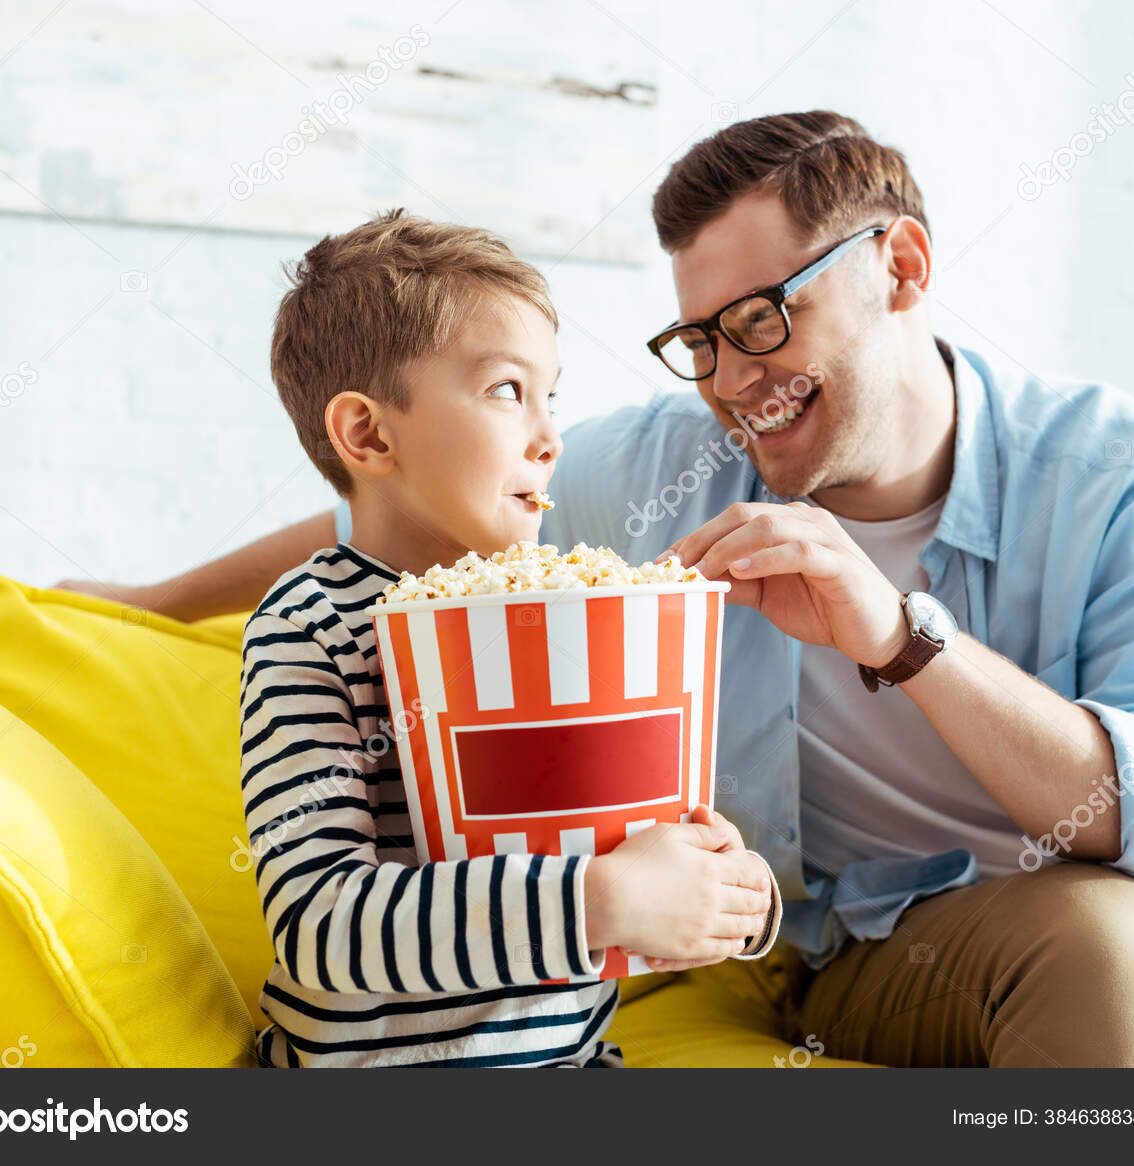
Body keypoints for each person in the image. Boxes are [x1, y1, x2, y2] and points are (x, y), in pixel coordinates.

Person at [62, 113, 1134, 1068]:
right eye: (700, 339)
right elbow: (419, 506)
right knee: (1105, 940)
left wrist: (904, 644)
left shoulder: (1122, 472)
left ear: (900, 268)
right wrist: (139, 600)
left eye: (765, 320)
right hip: (914, 927)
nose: (732, 380)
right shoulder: (674, 472)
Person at [235, 209, 779, 1068]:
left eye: (550, 395)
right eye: (505, 390)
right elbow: (319, 926)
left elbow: (636, 832)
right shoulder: (308, 627)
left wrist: (722, 890)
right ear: (369, 433)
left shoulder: (575, 606)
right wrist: (596, 901)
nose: (550, 438)